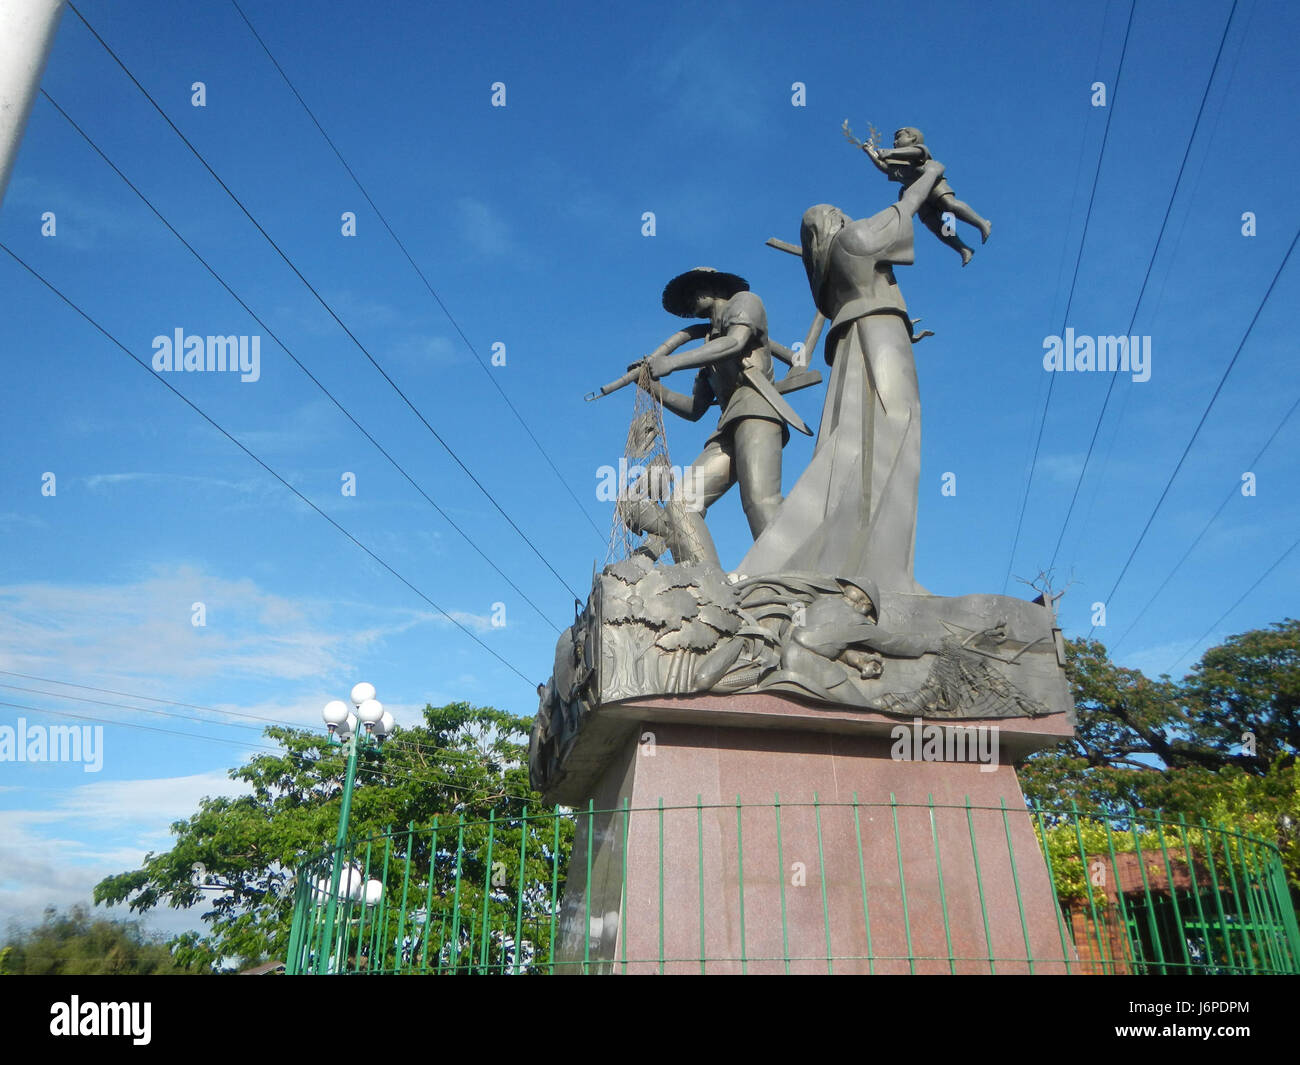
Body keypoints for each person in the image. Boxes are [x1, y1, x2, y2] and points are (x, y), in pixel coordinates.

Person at [737, 160, 950, 595]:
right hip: (878, 333)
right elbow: (907, 206)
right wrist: (932, 172)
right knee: (895, 429)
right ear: (833, 222)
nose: (848, 215)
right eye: (839, 211)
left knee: (856, 440)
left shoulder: (827, 274)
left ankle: (861, 559)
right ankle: (883, 569)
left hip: (856, 340)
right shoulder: (854, 240)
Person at [619, 268, 804, 567]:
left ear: (713, 287)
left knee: (760, 500)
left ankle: (791, 576)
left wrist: (672, 362)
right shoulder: (708, 346)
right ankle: (708, 589)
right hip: (727, 428)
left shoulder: (745, 302)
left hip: (756, 410)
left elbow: (734, 343)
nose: (693, 299)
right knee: (682, 503)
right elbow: (694, 410)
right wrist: (652, 387)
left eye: (696, 290)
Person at [863, 127, 991, 266]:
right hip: (919, 197)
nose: (894, 142)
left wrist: (890, 152)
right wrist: (870, 151)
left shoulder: (919, 151)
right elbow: (884, 167)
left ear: (913, 138)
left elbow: (914, 152)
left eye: (898, 137)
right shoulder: (898, 165)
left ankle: (982, 223)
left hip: (934, 187)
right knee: (936, 226)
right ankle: (963, 248)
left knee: (949, 206)